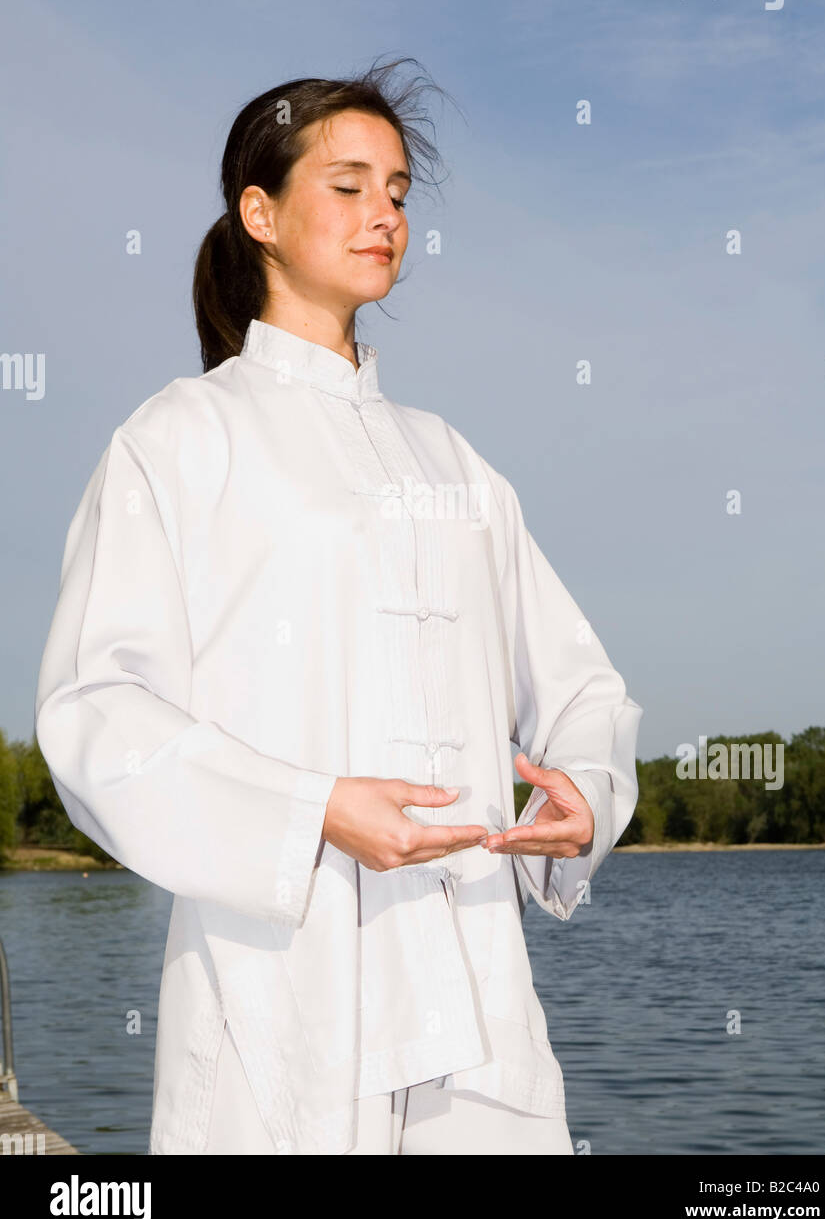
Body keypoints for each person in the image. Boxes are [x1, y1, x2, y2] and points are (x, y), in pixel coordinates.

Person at [34, 56, 642, 1156]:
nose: (386, 218)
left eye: (400, 194)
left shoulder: (454, 462)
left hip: (473, 991)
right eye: (350, 185)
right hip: (284, 987)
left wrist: (588, 798)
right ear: (258, 213)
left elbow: (581, 683)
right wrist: (313, 808)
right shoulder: (178, 439)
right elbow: (96, 710)